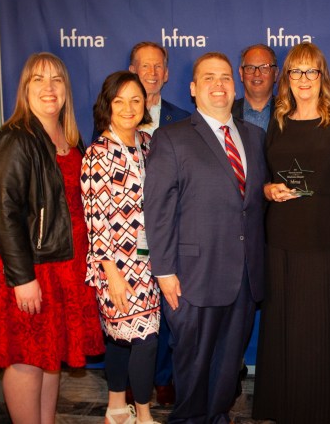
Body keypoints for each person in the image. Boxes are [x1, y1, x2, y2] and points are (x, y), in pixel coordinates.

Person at [0, 52, 104, 423]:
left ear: (66, 88)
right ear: (25, 89)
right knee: (26, 360)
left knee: (50, 357)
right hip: (30, 268)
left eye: (56, 79)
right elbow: (3, 212)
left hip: (64, 266)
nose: (49, 87)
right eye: (38, 79)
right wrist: (22, 278)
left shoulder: (70, 138)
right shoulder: (14, 138)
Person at [143, 52, 266, 424]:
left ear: (235, 86)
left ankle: (216, 418)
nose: (219, 85)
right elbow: (158, 209)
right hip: (192, 277)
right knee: (194, 370)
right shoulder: (171, 138)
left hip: (244, 278)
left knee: (227, 368)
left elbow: (252, 204)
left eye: (225, 77)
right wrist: (164, 272)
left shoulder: (254, 137)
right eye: (209, 78)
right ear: (194, 89)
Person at [251, 42, 330, 424]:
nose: (303, 79)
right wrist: (268, 190)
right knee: (283, 335)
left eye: (310, 71)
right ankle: (285, 410)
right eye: (296, 71)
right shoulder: (278, 122)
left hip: (324, 248)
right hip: (279, 246)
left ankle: (322, 413)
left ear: (322, 77)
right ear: (286, 78)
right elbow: (265, 178)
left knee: (319, 336)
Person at [82, 71, 162, 424]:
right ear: (107, 105)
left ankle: (115, 408)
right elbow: (95, 219)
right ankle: (143, 415)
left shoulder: (147, 143)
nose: (128, 108)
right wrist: (111, 273)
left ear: (145, 104)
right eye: (119, 101)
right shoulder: (98, 154)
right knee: (145, 338)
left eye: (135, 100)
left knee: (120, 338)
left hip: (150, 259)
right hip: (117, 263)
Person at [124, 41, 190, 405]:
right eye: (144, 66)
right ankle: (134, 379)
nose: (151, 73)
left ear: (166, 74)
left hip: (171, 230)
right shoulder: (116, 114)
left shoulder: (182, 119)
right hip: (128, 233)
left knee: (168, 307)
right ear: (132, 71)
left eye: (158, 67)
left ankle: (164, 378)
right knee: (132, 307)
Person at [233, 44, 278, 130]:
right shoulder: (227, 113)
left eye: (264, 68)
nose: (257, 74)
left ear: (275, 74)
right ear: (241, 74)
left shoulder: (289, 112)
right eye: (250, 68)